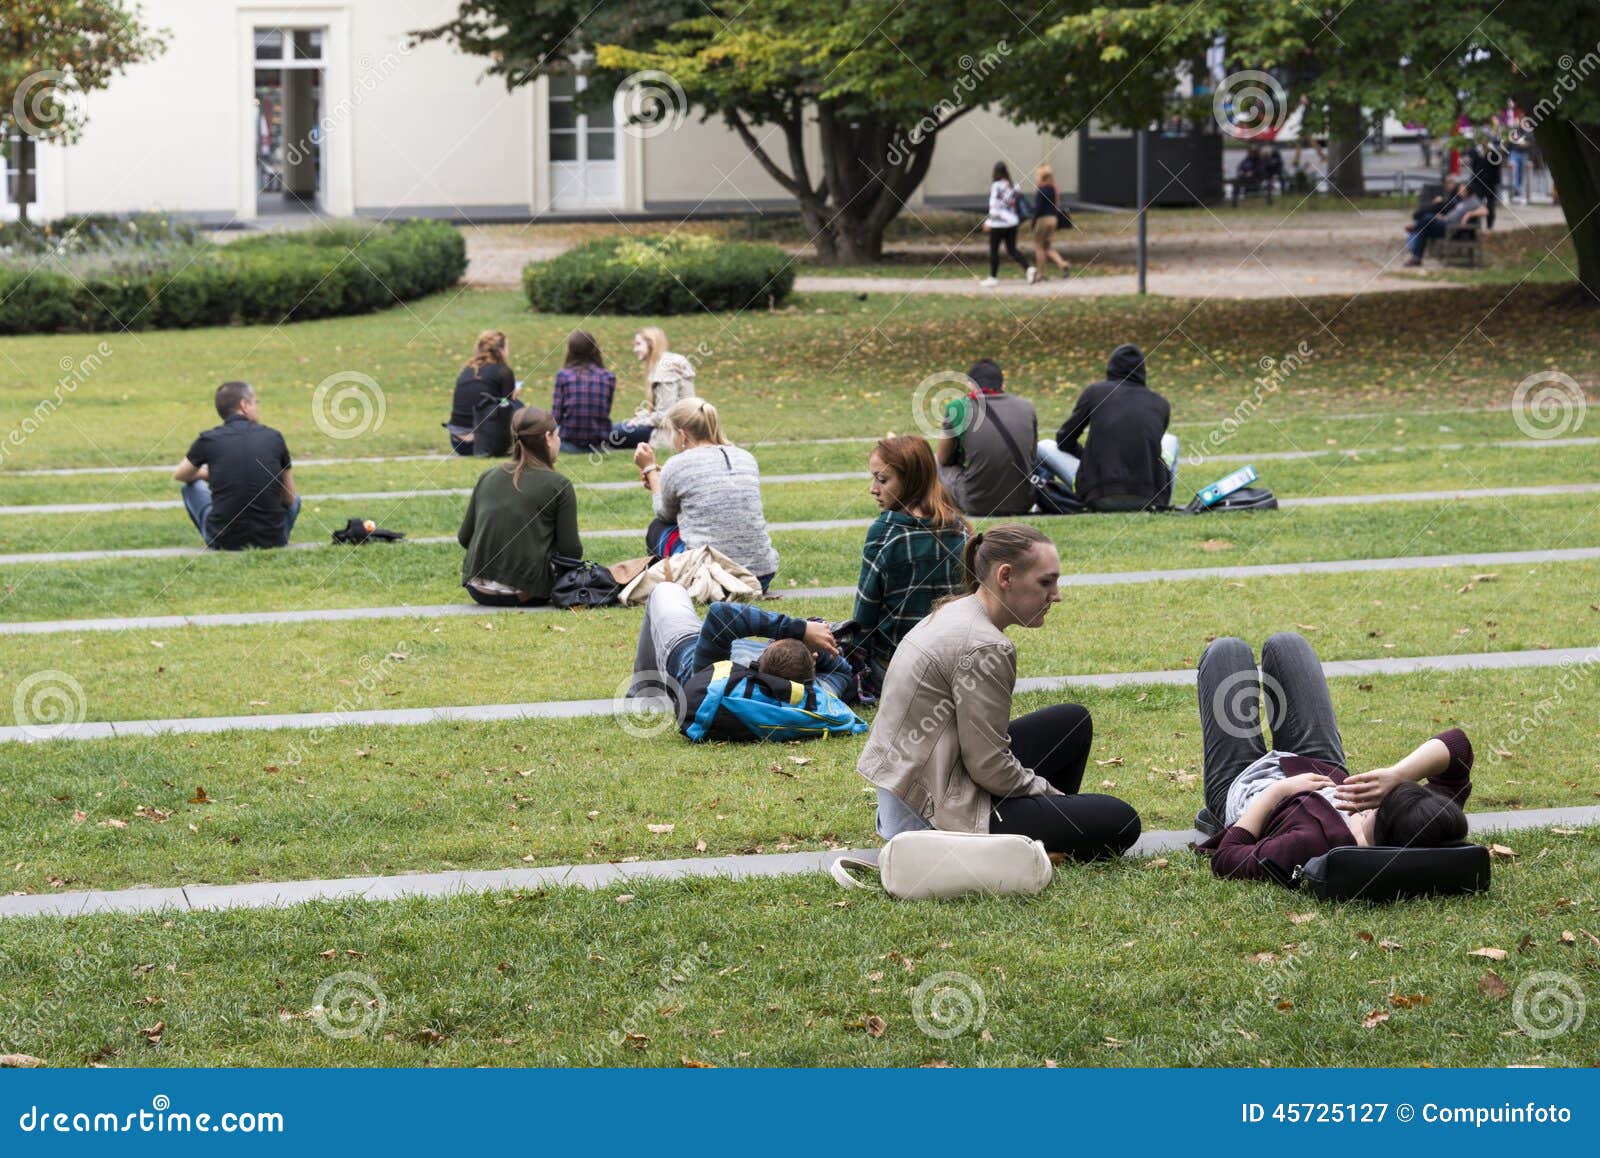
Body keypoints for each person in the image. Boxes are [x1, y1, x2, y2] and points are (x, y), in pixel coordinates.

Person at [856, 524, 1141, 859]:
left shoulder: (956, 609)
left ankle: (1046, 834)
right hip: (932, 819)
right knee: (1122, 821)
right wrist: (1051, 798)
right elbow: (988, 767)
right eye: (1045, 582)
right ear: (1005, 576)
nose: (1057, 595)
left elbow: (982, 753)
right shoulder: (985, 646)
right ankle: (1039, 844)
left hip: (919, 788)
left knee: (1072, 721)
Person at [1192, 633, 1473, 883]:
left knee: (1225, 651)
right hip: (1319, 766)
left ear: (1382, 823)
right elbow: (1457, 746)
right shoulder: (1428, 827)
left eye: (1384, 802)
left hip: (1245, 787)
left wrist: (1278, 792)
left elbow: (1229, 859)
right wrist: (1398, 775)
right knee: (1287, 645)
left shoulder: (1311, 843)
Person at [852, 435, 971, 692]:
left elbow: (865, 613)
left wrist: (853, 658)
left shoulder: (885, 532)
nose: (874, 488)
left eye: (882, 480)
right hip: (954, 666)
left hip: (897, 666)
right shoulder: (960, 529)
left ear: (910, 480)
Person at [633, 398, 779, 589]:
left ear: (682, 434)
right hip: (761, 575)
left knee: (657, 528)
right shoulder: (746, 457)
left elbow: (665, 513)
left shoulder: (678, 464)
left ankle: (673, 586)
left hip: (710, 578)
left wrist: (651, 470)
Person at [632, 581, 851, 702]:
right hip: (718, 640)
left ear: (761, 658)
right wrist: (815, 658)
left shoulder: (713, 675)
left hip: (682, 648)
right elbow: (843, 672)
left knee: (667, 589)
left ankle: (643, 692)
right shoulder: (814, 693)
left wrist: (799, 630)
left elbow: (720, 615)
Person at [456, 407, 581, 606]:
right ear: (548, 437)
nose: (559, 440)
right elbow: (571, 552)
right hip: (526, 592)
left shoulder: (488, 476)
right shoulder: (559, 485)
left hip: (477, 588)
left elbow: (464, 538)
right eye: (557, 435)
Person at [1037, 344, 1178, 511]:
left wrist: (1085, 456)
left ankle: (1044, 502)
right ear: (1142, 371)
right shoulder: (1160, 403)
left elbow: (1064, 439)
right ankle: (1164, 501)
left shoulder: (1095, 392)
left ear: (1111, 367)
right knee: (1171, 440)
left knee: (1044, 446)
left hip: (1098, 495)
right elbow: (1152, 450)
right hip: (1149, 498)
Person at [173, 381, 300, 550]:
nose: (257, 407)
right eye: (256, 402)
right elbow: (289, 499)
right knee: (297, 498)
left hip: (223, 540)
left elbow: (180, 475)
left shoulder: (209, 439)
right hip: (274, 539)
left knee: (191, 487)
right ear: (244, 405)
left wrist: (209, 474)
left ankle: (215, 535)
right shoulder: (274, 437)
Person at [935, 358, 1038, 518]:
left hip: (976, 504)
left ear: (970, 385)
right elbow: (1032, 455)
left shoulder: (958, 407)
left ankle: (937, 510)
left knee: (934, 461)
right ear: (1002, 384)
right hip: (1024, 501)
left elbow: (943, 459)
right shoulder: (1027, 406)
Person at [608, 326, 697, 451]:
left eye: (638, 344)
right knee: (610, 429)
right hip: (670, 429)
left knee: (607, 433)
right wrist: (643, 417)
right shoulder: (663, 363)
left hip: (670, 433)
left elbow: (666, 415)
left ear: (651, 343)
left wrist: (642, 422)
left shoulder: (665, 368)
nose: (635, 349)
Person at [446, 330, 521, 456]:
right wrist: (513, 395)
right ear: (501, 350)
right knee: (518, 406)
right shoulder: (503, 371)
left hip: (459, 444)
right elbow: (506, 404)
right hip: (486, 444)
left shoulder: (467, 370)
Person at [551, 329, 616, 455]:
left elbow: (556, 416)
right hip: (599, 444)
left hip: (569, 442)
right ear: (594, 349)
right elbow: (604, 411)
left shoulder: (564, 375)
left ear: (570, 350)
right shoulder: (608, 377)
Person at [1403, 178, 1486, 266]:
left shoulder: (1473, 201)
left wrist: (1469, 214)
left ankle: (1415, 228)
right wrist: (1444, 217)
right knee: (1424, 229)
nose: (1459, 190)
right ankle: (1416, 259)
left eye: (1462, 189)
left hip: (1452, 229)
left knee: (1427, 218)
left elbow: (1485, 210)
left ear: (1468, 189)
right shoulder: (1463, 200)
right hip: (1446, 224)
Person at [981, 162, 1034, 286]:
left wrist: (988, 222)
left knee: (994, 250)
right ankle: (1028, 268)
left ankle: (993, 277)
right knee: (1012, 249)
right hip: (1012, 222)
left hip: (998, 224)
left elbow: (994, 207)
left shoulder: (996, 186)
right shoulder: (1014, 186)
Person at [1030, 165, 1070, 280]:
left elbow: (1038, 209)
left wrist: (1033, 221)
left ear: (1041, 176)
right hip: (1053, 219)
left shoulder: (1041, 190)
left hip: (1043, 219)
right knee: (1047, 246)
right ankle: (1063, 264)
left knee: (1038, 246)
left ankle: (1041, 273)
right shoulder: (1053, 189)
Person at [1467, 120, 1504, 229]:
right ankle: (1475, 225)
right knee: (1476, 204)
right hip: (1478, 182)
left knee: (1490, 205)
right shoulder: (1474, 151)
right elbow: (1472, 165)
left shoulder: (1494, 151)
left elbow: (1497, 166)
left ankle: (1489, 225)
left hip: (1490, 182)